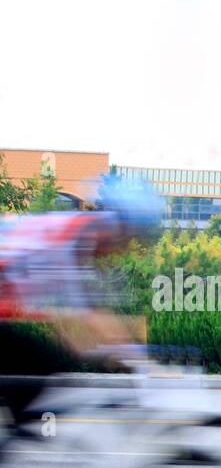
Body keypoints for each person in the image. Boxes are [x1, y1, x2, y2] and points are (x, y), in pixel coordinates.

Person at [0, 173, 161, 427]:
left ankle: (13, 437)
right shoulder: (70, 244)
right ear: (115, 229)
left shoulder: (73, 234)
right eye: (129, 238)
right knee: (38, 367)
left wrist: (125, 352)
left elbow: (84, 321)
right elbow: (89, 320)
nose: (125, 249)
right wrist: (140, 360)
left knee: (33, 370)